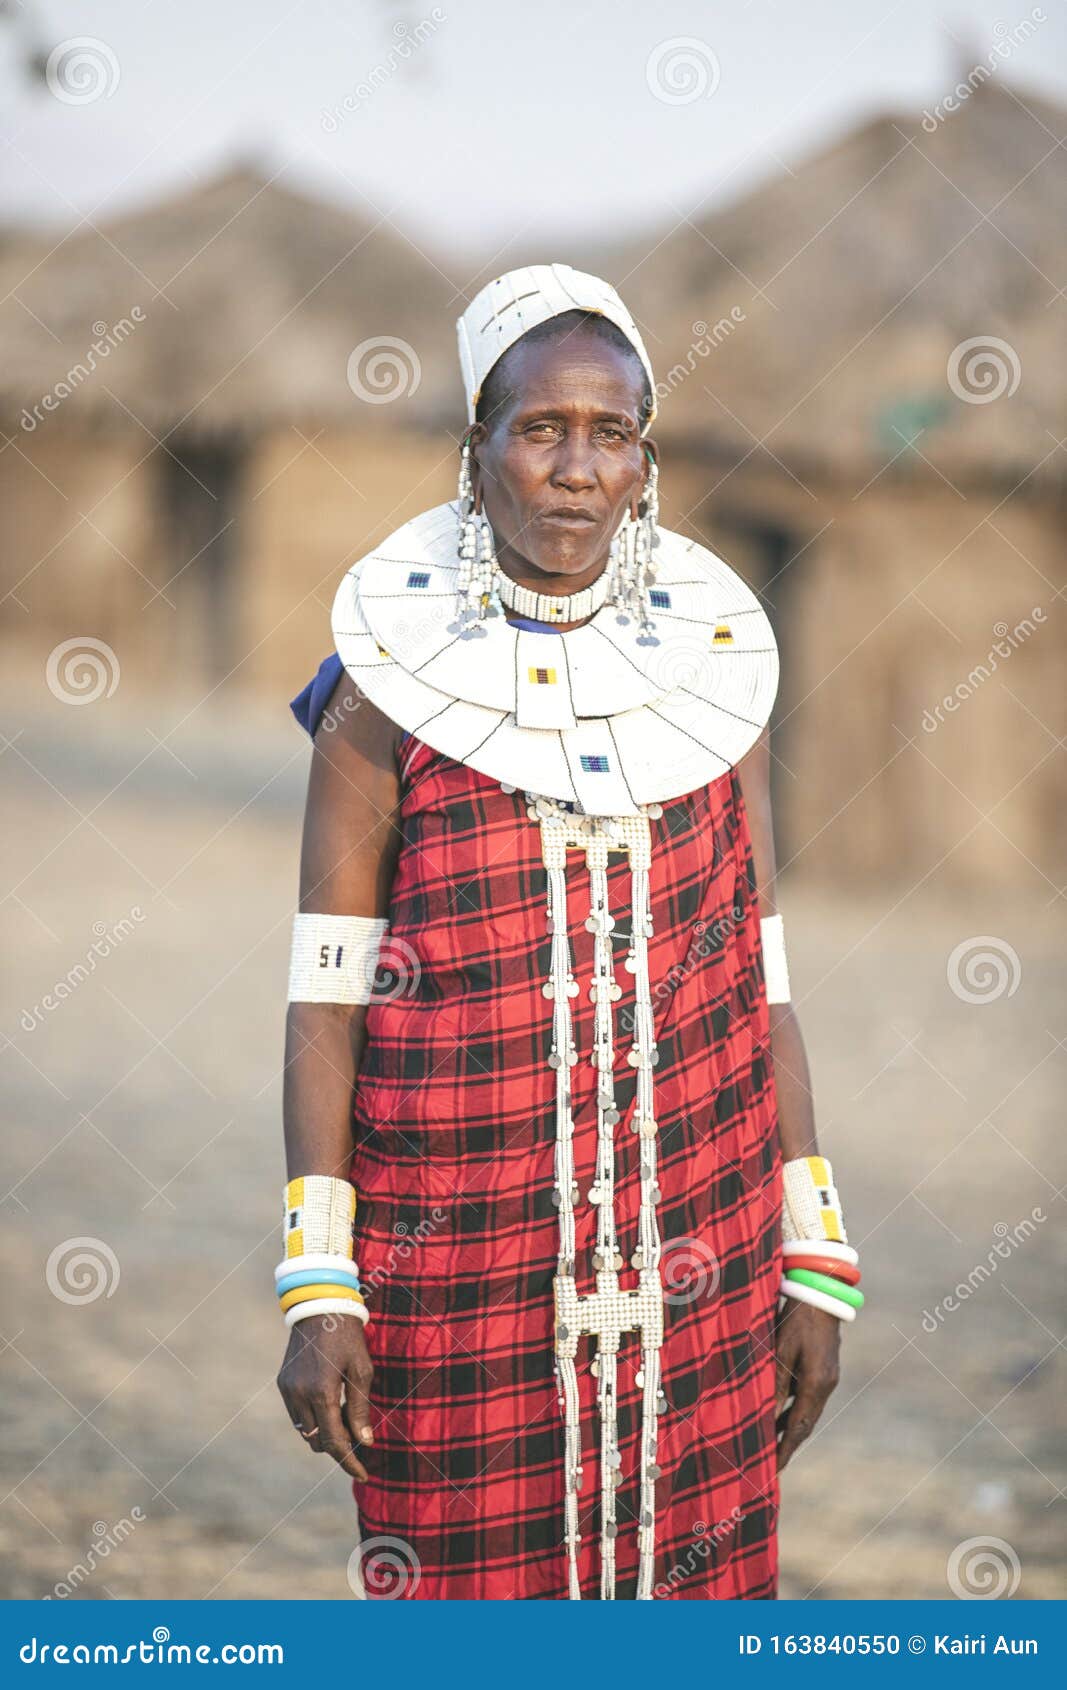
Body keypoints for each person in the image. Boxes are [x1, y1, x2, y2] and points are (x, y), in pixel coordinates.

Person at [276, 264, 860, 1601]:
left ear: (646, 463)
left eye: (611, 435)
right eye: (541, 429)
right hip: (454, 1262)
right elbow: (326, 999)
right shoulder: (382, 689)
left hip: (700, 1251)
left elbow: (760, 980)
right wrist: (319, 1277)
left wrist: (817, 1246)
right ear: (474, 451)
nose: (577, 468)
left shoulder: (717, 676)